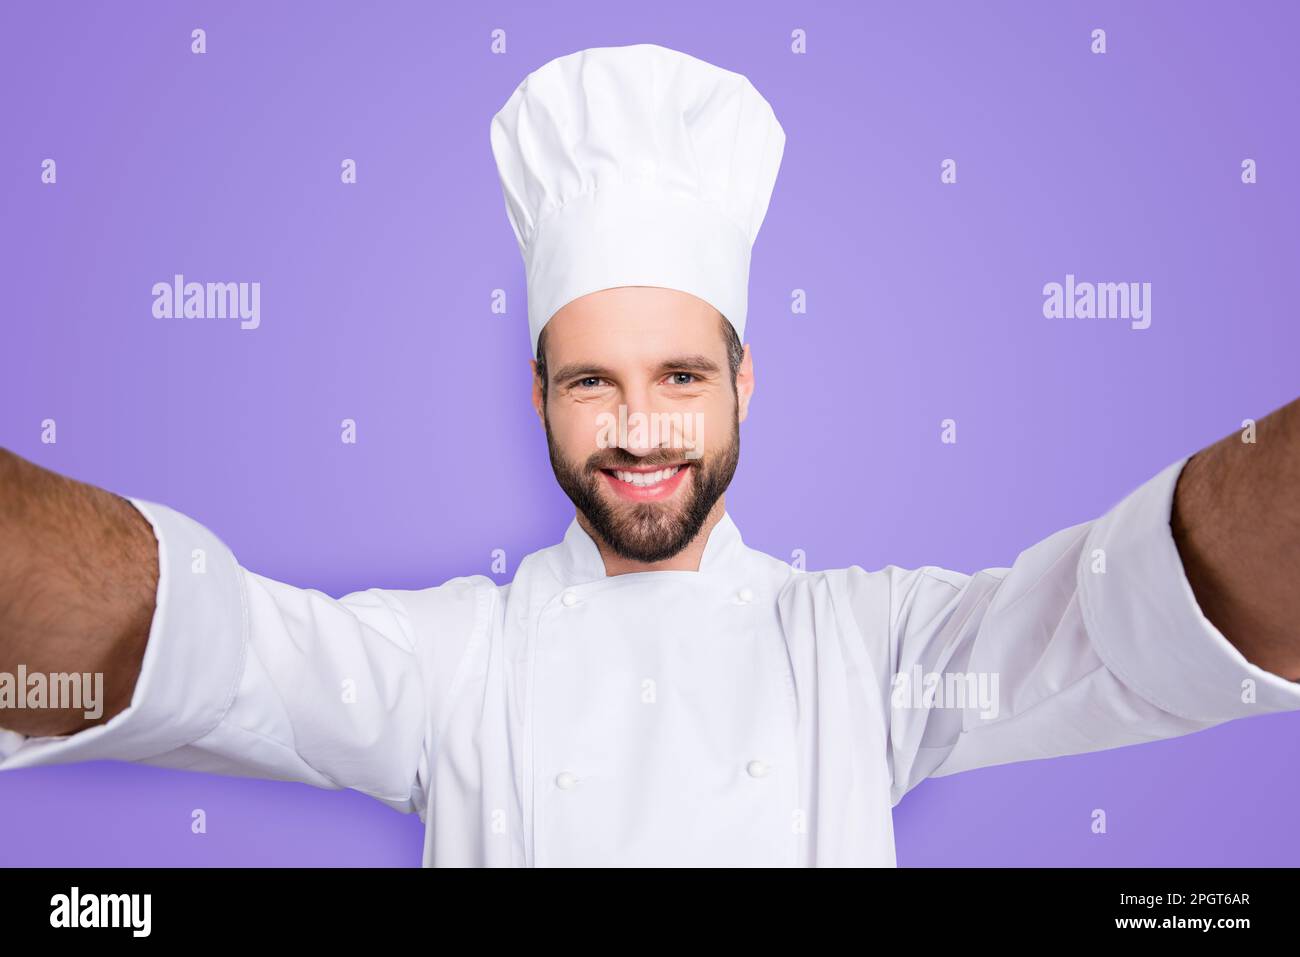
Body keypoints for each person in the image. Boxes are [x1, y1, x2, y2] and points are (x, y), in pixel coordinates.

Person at [2, 43, 1298, 867]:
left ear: (744, 382)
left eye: (680, 374)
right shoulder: (456, 668)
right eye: (591, 381)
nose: (638, 427)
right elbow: (217, 654)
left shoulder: (869, 655)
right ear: (536, 395)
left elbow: (1125, 617)